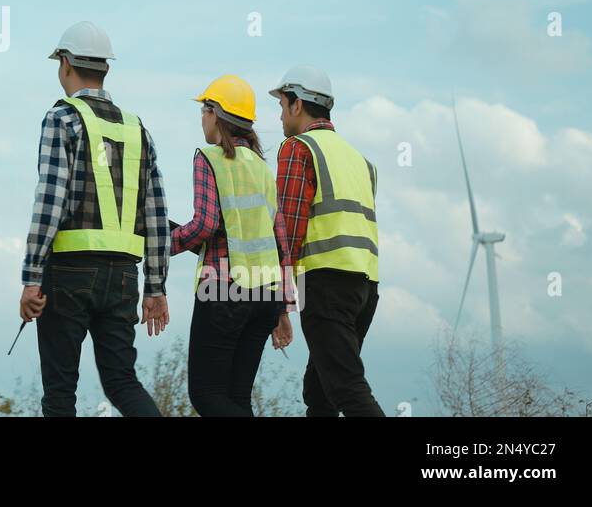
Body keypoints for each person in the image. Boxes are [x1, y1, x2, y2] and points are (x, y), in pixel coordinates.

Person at [19, 21, 169, 417]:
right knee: (122, 381)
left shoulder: (62, 119)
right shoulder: (138, 129)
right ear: (106, 68)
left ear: (65, 64)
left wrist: (31, 278)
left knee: (60, 390)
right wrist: (156, 286)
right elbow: (156, 211)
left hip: (68, 271)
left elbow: (49, 201)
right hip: (123, 277)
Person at [270, 65, 385, 417]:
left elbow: (287, 229)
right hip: (365, 289)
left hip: (326, 284)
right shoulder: (362, 162)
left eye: (282, 104)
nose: (279, 115)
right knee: (320, 394)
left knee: (346, 388)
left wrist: (279, 302)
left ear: (296, 104)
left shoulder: (297, 148)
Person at [169, 74, 287, 416]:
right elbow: (280, 241)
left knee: (206, 396)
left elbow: (205, 224)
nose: (201, 119)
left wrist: (164, 244)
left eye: (204, 110)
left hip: (224, 291)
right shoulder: (263, 168)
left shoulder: (210, 158)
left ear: (215, 113)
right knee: (236, 400)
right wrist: (283, 307)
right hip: (266, 295)